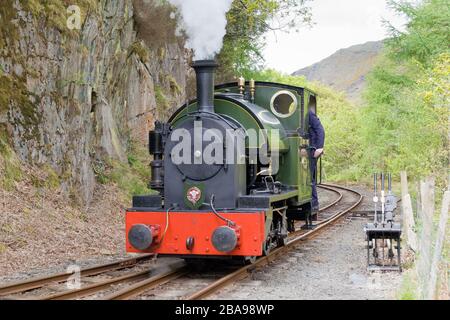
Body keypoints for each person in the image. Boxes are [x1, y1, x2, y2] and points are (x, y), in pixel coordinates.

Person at [307, 107, 325, 212]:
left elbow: (320, 129)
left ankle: (314, 203)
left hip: (312, 149)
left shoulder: (309, 114)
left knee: (310, 177)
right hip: (308, 149)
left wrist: (319, 147)